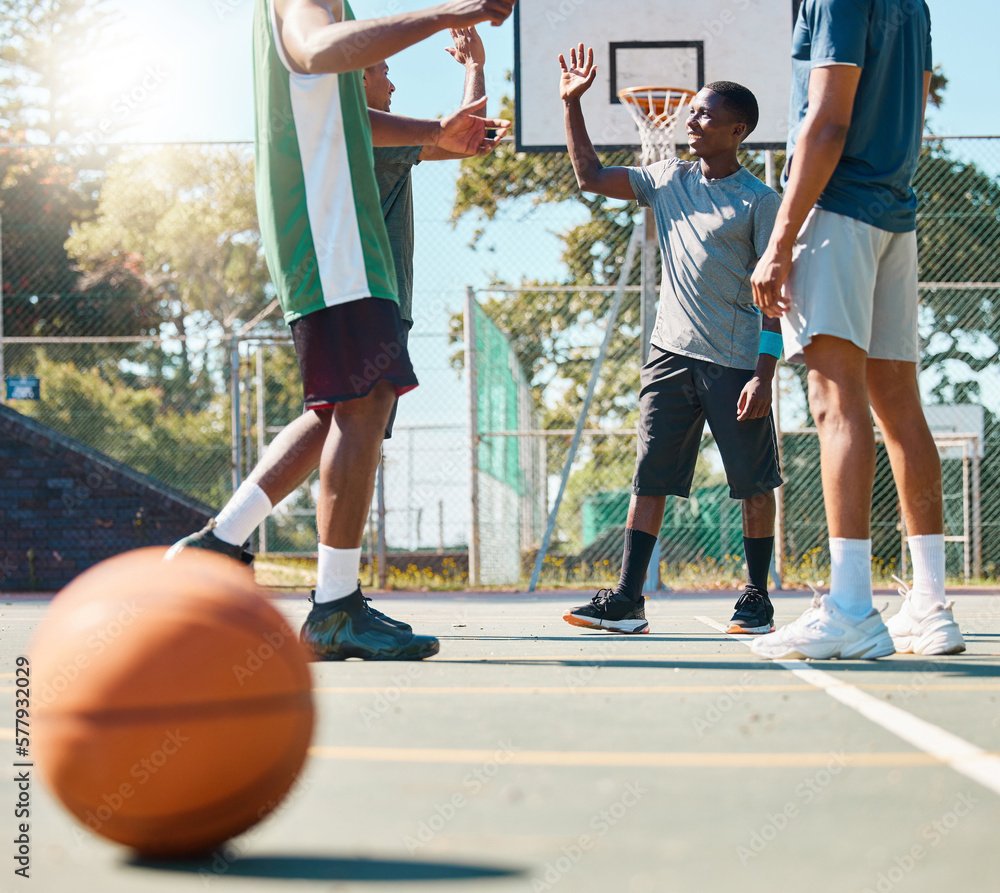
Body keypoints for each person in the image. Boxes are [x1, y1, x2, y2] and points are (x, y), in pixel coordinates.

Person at [167, 0, 514, 661]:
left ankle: (232, 544)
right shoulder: (305, 4)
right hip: (337, 245)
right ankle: (331, 605)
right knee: (357, 406)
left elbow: (443, 134)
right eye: (379, 67)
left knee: (344, 408)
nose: (386, 75)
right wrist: (451, 15)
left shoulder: (341, 109)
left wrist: (447, 110)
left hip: (340, 251)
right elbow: (320, 50)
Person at [750, 0, 965, 659]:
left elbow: (829, 119)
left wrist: (781, 240)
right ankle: (930, 605)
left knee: (835, 400)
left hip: (836, 209)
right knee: (899, 407)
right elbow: (917, 107)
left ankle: (849, 607)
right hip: (893, 212)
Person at [556, 45, 784, 636]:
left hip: (736, 363)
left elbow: (774, 297)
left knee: (753, 485)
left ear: (737, 130)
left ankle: (756, 598)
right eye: (692, 111)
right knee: (648, 478)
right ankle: (629, 599)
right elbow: (589, 177)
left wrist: (765, 373)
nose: (691, 119)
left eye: (705, 115)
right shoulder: (667, 179)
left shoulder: (760, 202)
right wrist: (572, 104)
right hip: (669, 356)